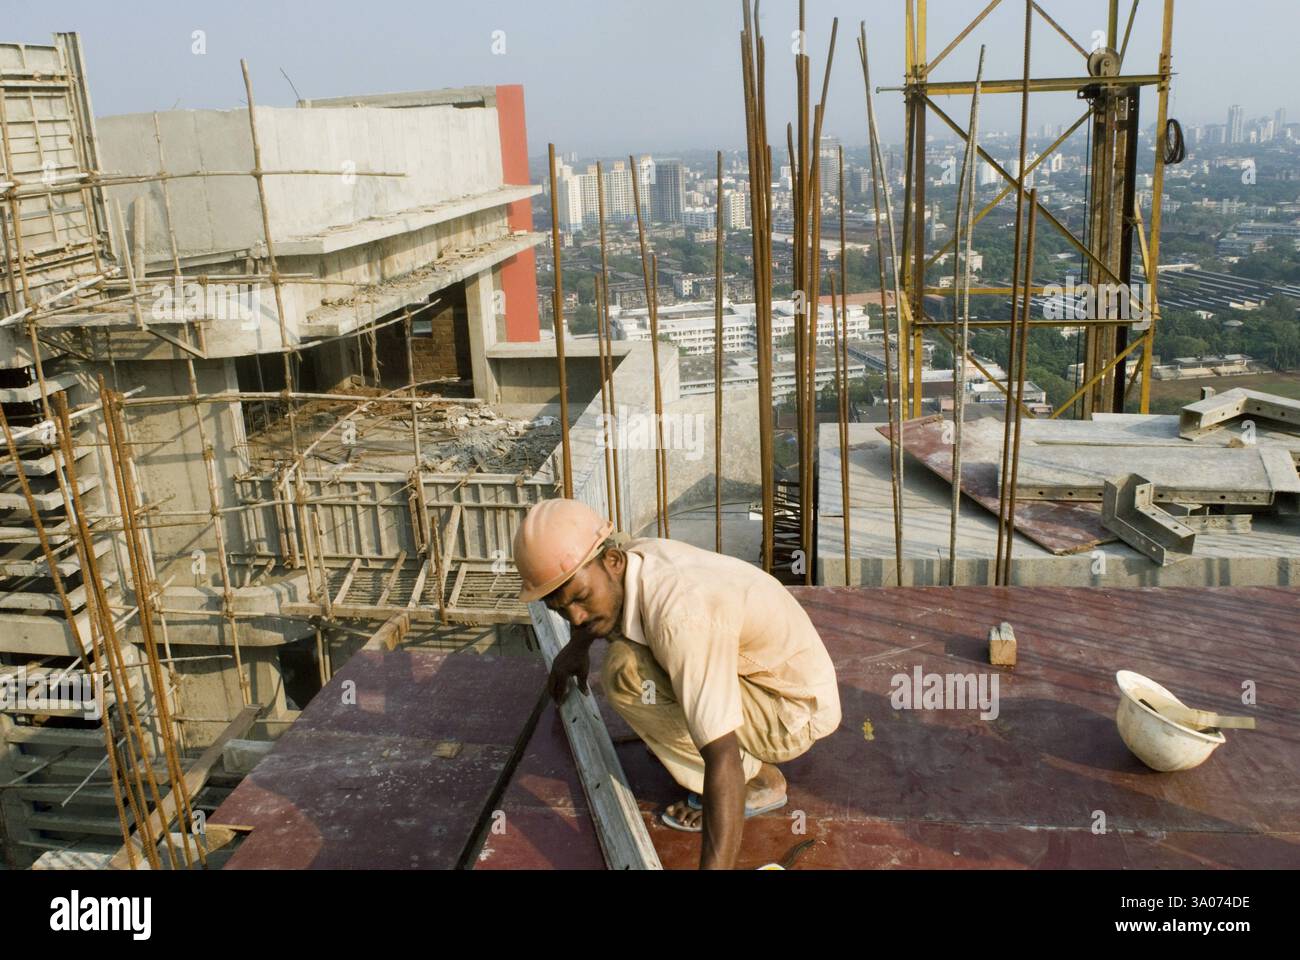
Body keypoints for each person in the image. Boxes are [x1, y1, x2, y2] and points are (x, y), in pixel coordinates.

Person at [514, 498, 841, 869]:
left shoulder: (682, 617)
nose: (575, 615)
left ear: (612, 562)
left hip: (791, 711)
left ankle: (759, 783)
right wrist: (577, 645)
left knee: (628, 675)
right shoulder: (630, 557)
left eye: (581, 599)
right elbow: (589, 600)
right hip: (771, 673)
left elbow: (722, 757)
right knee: (629, 650)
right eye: (561, 610)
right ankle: (706, 746)